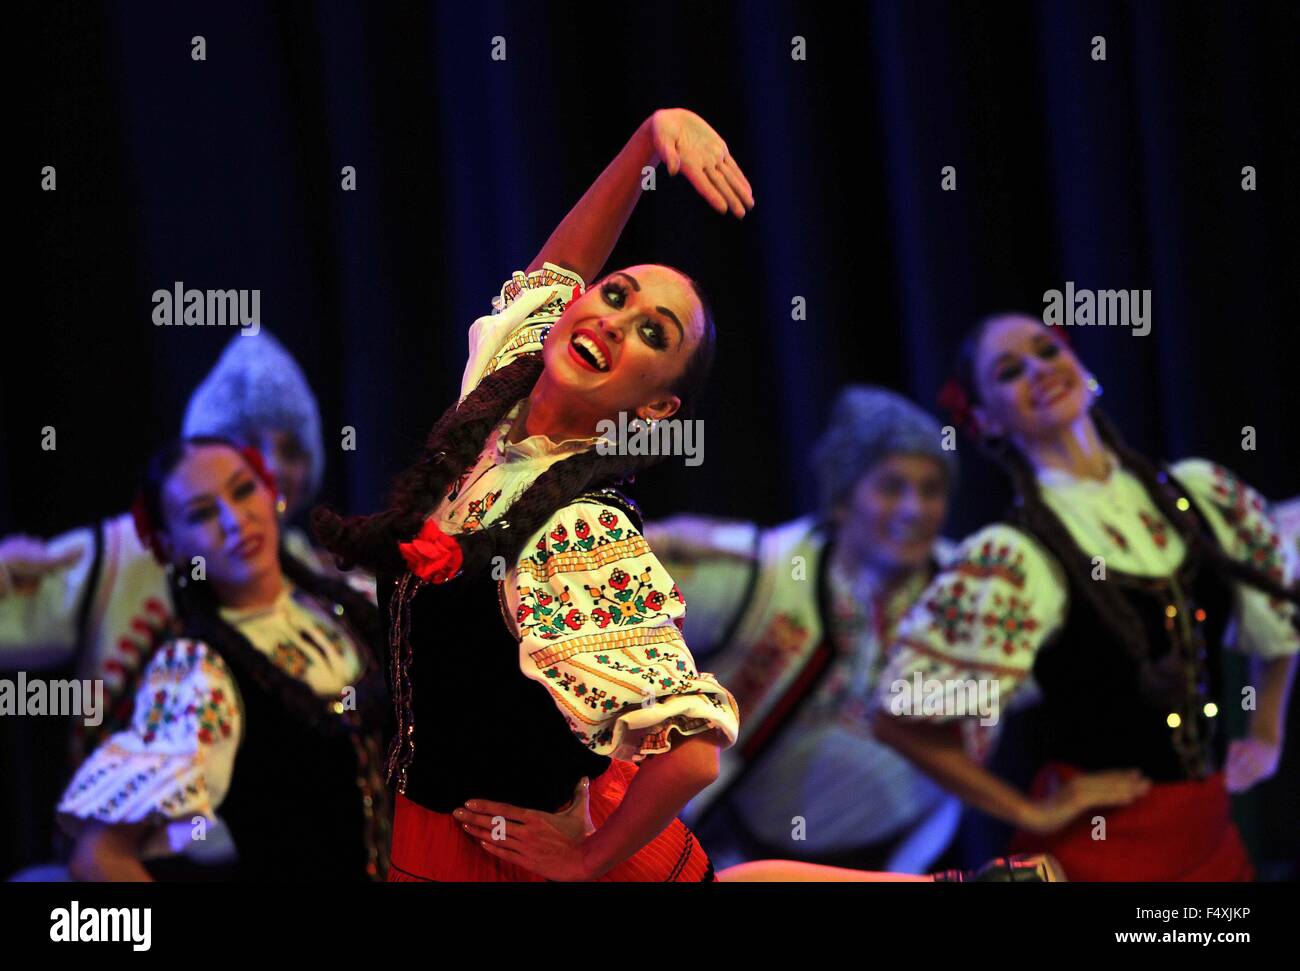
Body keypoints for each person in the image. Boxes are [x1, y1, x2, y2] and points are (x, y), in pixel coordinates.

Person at [313, 107, 754, 881]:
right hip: (435, 832)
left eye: (654, 334)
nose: (614, 322)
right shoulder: (503, 393)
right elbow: (558, 273)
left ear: (655, 409)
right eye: (616, 297)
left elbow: (692, 755)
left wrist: (586, 860)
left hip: (508, 854)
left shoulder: (580, 529)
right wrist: (647, 140)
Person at [872, 313, 1299, 881]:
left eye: (1047, 351)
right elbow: (897, 714)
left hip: (1212, 843)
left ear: (1084, 370)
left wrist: (1266, 733)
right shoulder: (1014, 557)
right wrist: (1027, 810)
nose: (1039, 370)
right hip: (1108, 852)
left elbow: (1280, 607)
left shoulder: (1198, 493)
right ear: (985, 419)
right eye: (1009, 370)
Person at [0, 330, 364, 763]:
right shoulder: (120, 555)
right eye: (246, 446)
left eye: (290, 448)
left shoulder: (325, 580)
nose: (272, 464)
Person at [644, 386, 964, 873]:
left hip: (902, 863)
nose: (914, 509)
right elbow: (594, 598)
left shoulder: (974, 592)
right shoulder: (757, 573)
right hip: (744, 860)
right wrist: (656, 539)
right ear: (841, 501)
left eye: (931, 489)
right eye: (891, 486)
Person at [56, 437, 389, 881]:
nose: (235, 521)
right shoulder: (195, 672)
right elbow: (98, 857)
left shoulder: (354, 603)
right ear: (170, 546)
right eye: (201, 514)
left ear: (272, 493)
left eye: (243, 490)